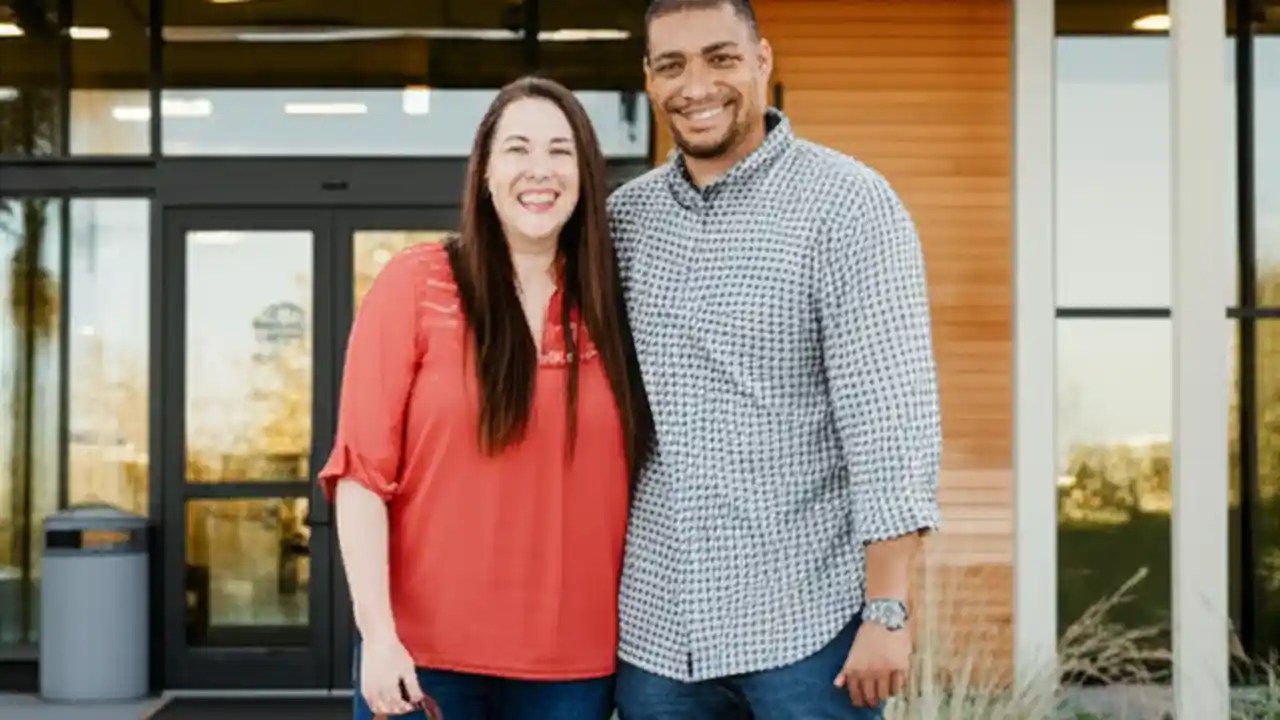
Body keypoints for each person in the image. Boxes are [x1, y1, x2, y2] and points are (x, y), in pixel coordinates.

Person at [606, 0, 943, 717]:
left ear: (762, 61)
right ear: (650, 79)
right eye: (672, 66)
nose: (696, 86)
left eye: (721, 58)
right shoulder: (624, 222)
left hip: (806, 633)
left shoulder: (848, 204)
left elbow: (890, 418)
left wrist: (888, 608)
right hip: (658, 640)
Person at [319, 76, 653, 720]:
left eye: (560, 151)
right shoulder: (416, 283)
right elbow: (361, 476)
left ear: (585, 175)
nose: (540, 170)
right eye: (517, 149)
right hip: (425, 662)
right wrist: (378, 637)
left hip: (574, 673)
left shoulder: (617, 303)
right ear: (485, 174)